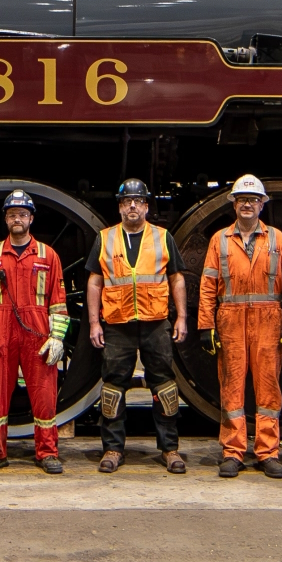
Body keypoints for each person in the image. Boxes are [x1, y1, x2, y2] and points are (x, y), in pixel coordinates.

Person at [197, 174, 282, 479]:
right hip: (230, 320)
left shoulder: (277, 239)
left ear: (262, 206)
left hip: (268, 320)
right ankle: (233, 452)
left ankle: (268, 452)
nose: (247, 204)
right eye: (242, 200)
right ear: (234, 204)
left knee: (268, 388)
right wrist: (206, 325)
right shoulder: (219, 239)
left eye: (253, 200)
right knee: (231, 388)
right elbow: (208, 286)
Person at [86, 178, 188, 474]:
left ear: (146, 207)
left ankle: (170, 449)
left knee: (165, 386)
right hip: (118, 324)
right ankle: (113, 449)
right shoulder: (105, 238)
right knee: (113, 388)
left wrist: (181, 316)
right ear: (120, 207)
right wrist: (95, 322)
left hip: (156, 323)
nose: (132, 206)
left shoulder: (163, 236)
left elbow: (176, 278)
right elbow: (95, 282)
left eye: (138, 201)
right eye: (126, 201)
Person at [0, 190, 71, 474]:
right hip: (1, 330)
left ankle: (47, 452)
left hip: (37, 331)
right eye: (12, 214)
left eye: (23, 214)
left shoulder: (48, 256)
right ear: (6, 219)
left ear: (31, 219)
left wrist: (57, 337)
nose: (18, 219)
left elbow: (58, 301)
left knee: (44, 393)